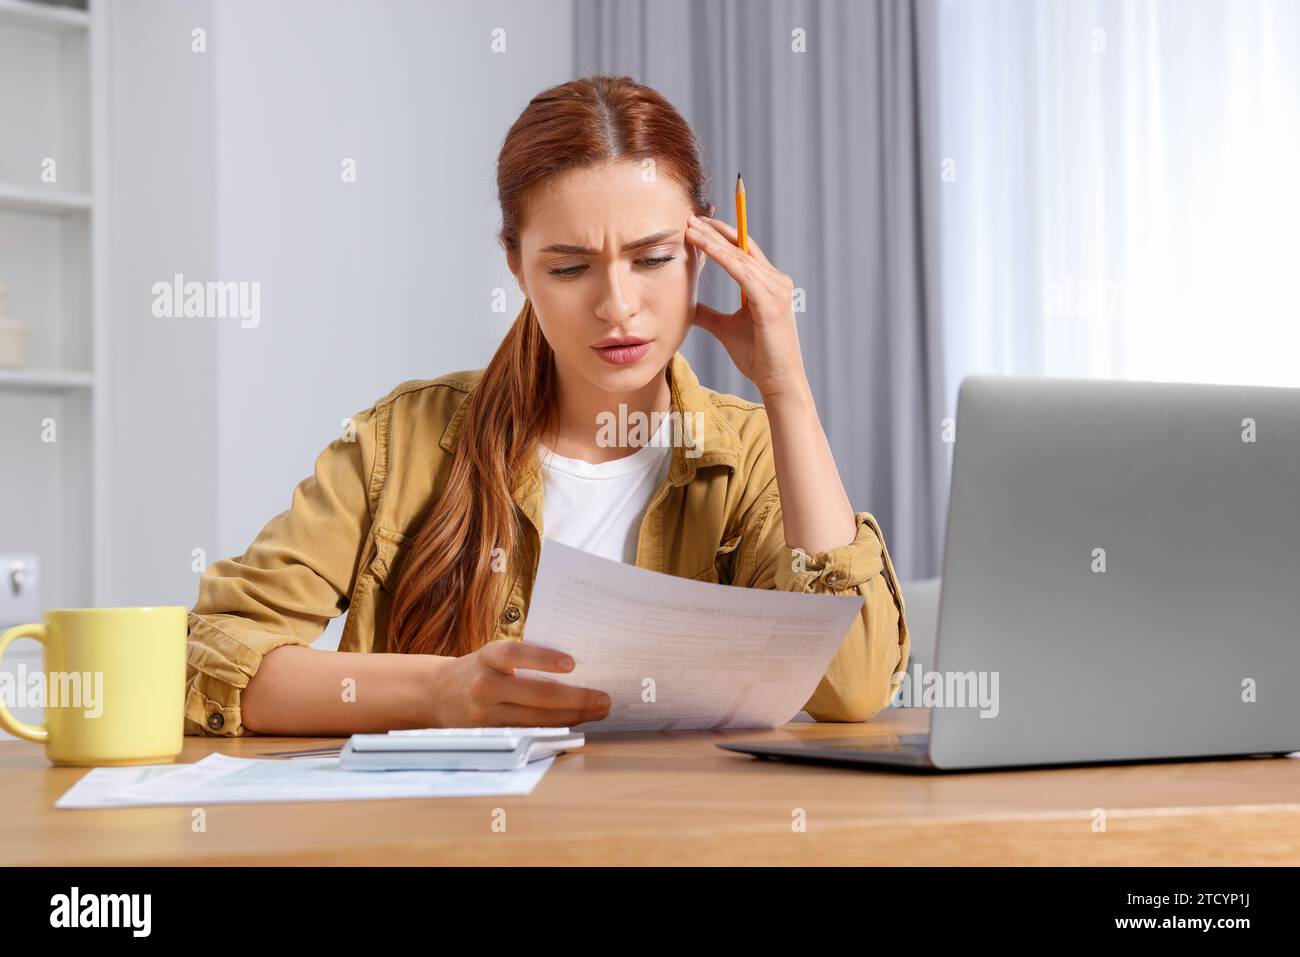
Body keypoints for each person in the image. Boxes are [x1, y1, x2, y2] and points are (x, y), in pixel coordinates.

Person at [185, 75, 909, 737]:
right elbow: (204, 655)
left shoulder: (752, 452)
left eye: (654, 258)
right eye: (568, 268)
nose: (617, 307)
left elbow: (852, 687)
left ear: (710, 245)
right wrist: (438, 690)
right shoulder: (400, 441)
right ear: (515, 264)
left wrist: (788, 391)